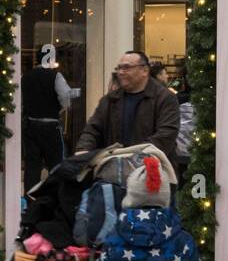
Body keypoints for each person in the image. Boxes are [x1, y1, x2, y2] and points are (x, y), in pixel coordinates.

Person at [76, 51, 181, 173]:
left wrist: (133, 157)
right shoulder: (110, 100)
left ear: (144, 71)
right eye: (119, 68)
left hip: (154, 174)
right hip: (115, 173)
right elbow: (93, 129)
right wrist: (83, 149)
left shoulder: (165, 98)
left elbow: (165, 135)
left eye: (127, 68)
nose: (121, 72)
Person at [21, 59, 71, 192]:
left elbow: (20, 101)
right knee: (56, 166)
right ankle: (55, 200)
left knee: (32, 168)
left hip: (31, 126)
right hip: (51, 126)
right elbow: (66, 95)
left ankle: (30, 204)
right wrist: (60, 108)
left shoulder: (25, 77)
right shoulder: (55, 76)